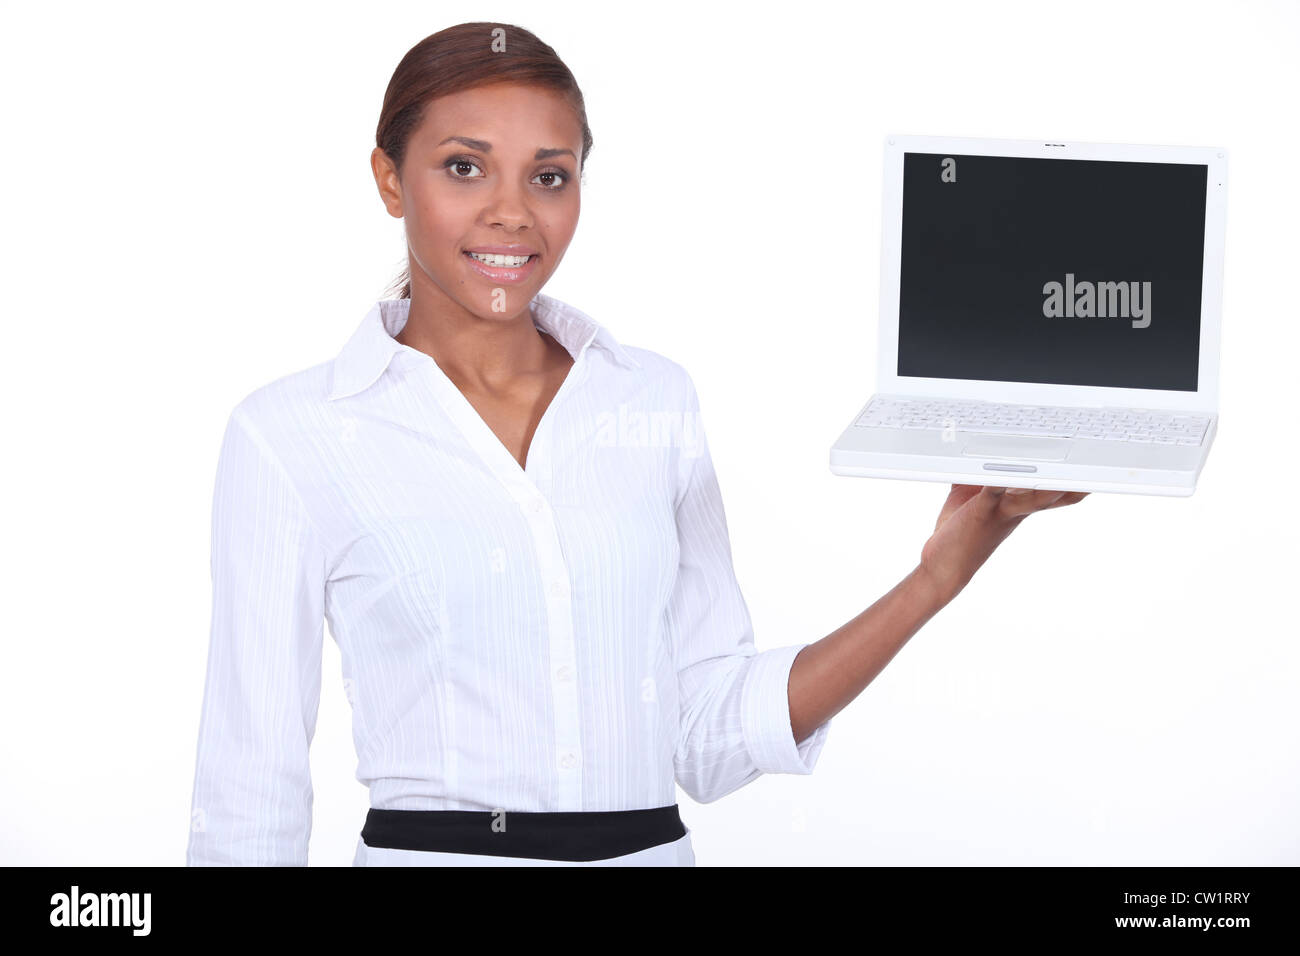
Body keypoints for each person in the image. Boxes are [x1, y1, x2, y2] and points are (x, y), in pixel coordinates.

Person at [186, 21, 1088, 867]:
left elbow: (708, 730)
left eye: (548, 176)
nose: (512, 213)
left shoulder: (652, 401)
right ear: (389, 179)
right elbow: (250, 785)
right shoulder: (290, 436)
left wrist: (938, 575)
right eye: (464, 168)